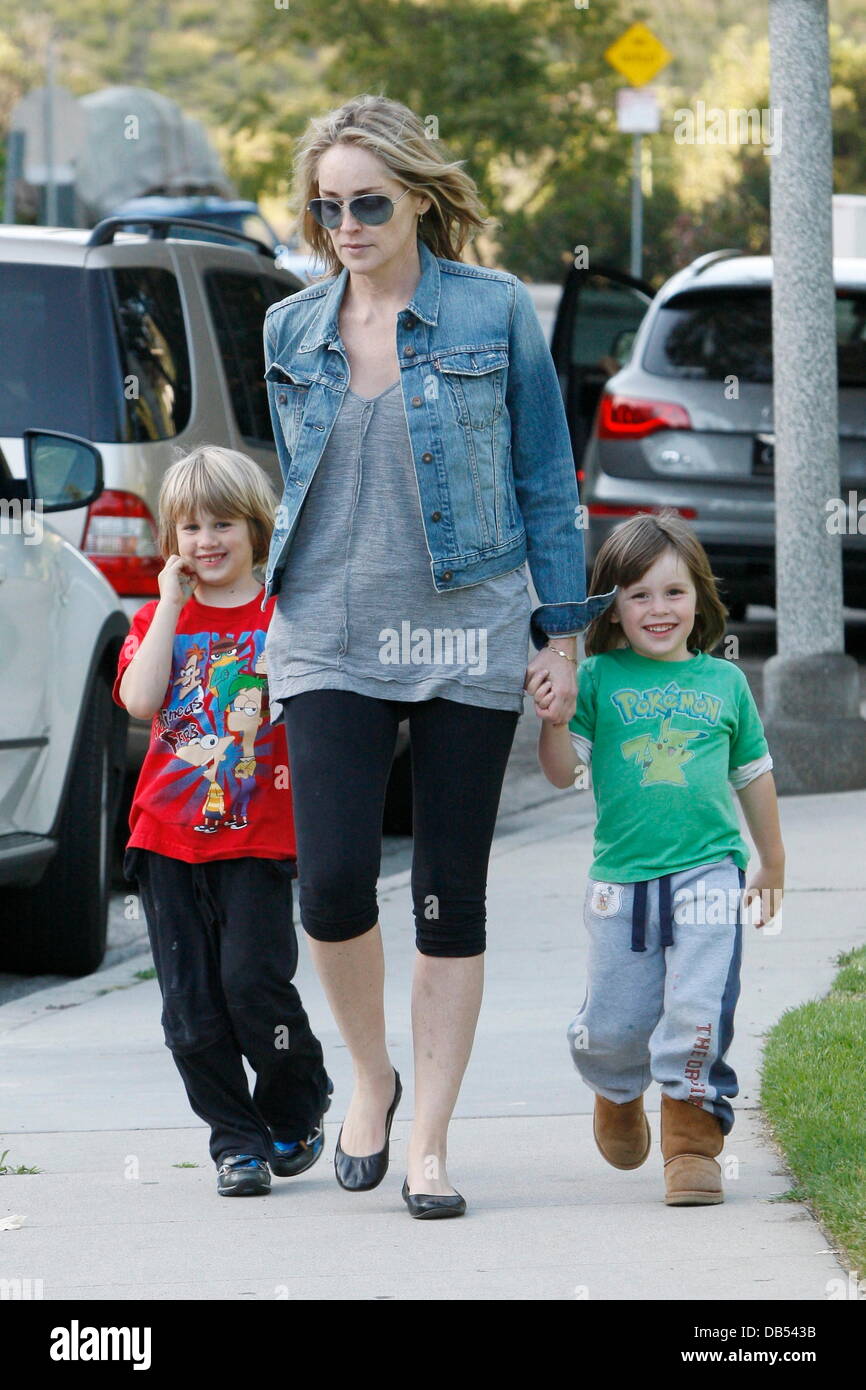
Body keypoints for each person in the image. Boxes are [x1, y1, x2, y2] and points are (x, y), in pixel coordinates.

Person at [261, 93, 615, 1219]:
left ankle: (428, 1143)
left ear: (417, 196)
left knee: (449, 896)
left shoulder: (493, 311)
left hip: (466, 625)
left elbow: (545, 482)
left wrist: (560, 634)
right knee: (327, 889)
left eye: (368, 203)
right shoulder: (289, 329)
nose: (347, 226)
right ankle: (369, 1072)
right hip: (324, 630)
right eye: (327, 208)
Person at [534, 510, 785, 1205]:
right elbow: (562, 773)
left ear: (700, 597)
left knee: (697, 1009)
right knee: (615, 1023)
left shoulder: (724, 684)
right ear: (611, 605)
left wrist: (773, 862)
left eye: (673, 592)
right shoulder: (599, 679)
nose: (658, 608)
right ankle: (615, 1092)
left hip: (711, 871)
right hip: (621, 882)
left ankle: (690, 1139)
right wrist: (555, 716)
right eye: (638, 593)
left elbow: (753, 777)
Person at [114, 446, 332, 1197]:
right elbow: (142, 704)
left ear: (257, 529)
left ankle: (296, 1104)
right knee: (192, 1011)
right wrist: (171, 606)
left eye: (225, 524)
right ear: (172, 541)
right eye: (191, 527)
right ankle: (234, 1145)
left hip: (259, 841)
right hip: (167, 841)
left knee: (253, 987)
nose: (207, 540)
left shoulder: (284, 615)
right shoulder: (156, 618)